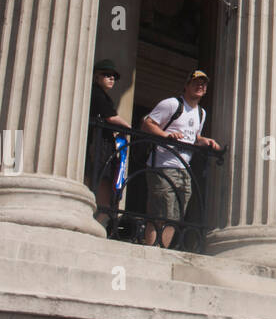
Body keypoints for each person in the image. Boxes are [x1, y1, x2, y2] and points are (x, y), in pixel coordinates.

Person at [141, 69, 219, 248]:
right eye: (196, 82)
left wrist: (203, 141)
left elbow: (193, 137)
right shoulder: (171, 104)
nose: (200, 86)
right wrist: (165, 136)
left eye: (203, 84)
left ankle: (162, 250)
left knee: (176, 215)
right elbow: (147, 124)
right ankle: (152, 249)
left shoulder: (201, 113)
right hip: (163, 164)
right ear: (186, 86)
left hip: (184, 168)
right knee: (161, 212)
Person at [87, 59, 130, 225]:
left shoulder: (102, 95)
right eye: (107, 75)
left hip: (103, 146)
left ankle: (99, 220)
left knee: (106, 189)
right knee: (102, 186)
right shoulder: (96, 93)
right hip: (98, 147)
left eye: (113, 76)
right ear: (97, 76)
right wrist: (129, 127)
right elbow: (111, 117)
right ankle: (96, 221)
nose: (111, 78)